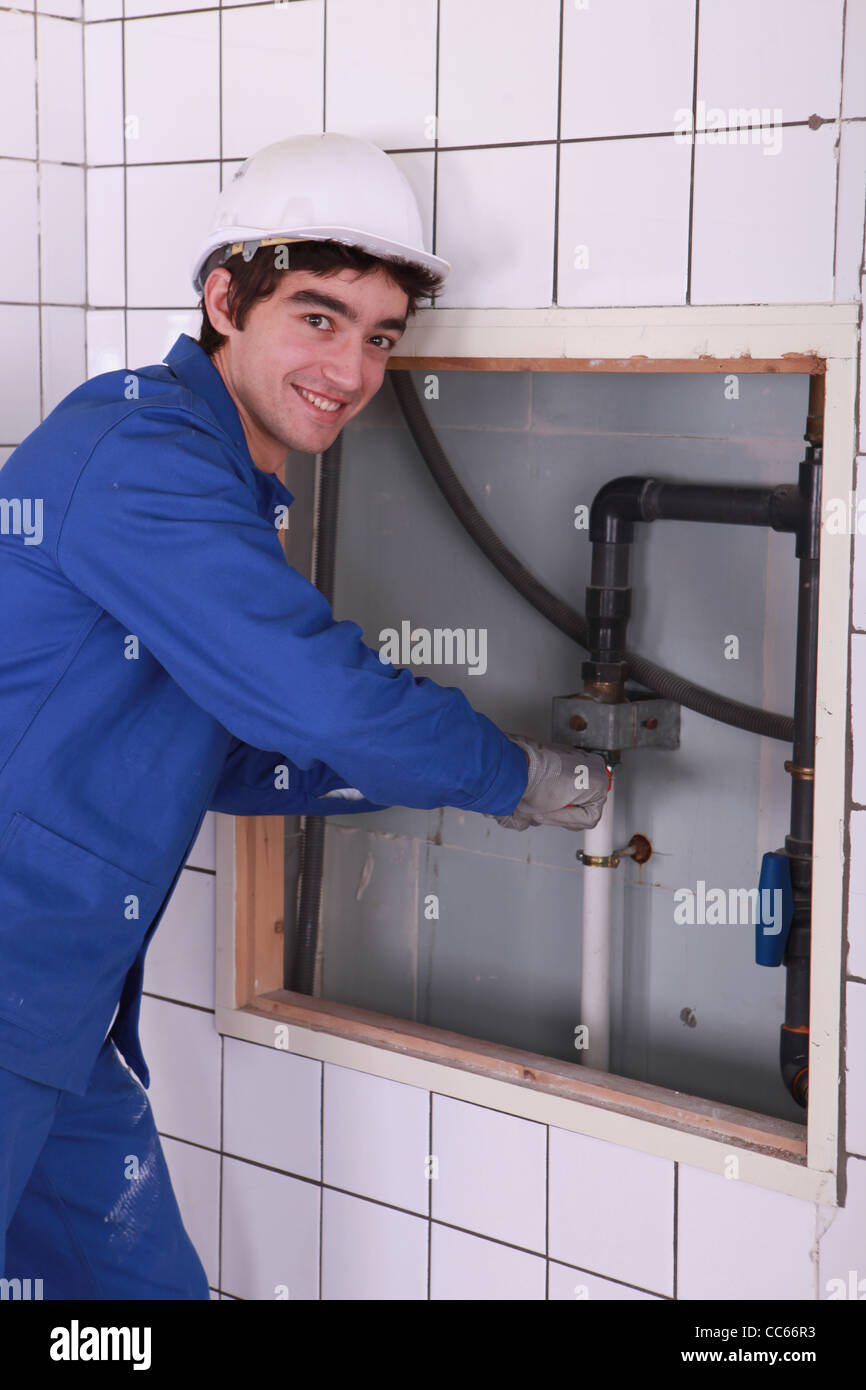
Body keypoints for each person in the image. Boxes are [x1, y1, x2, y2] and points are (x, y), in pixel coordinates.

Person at [0, 131, 608, 1299]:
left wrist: (393, 766)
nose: (352, 369)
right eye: (318, 318)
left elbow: (229, 744)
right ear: (225, 299)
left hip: (60, 1012)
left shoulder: (216, 477)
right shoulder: (144, 456)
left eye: (379, 335)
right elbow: (314, 690)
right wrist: (525, 777)